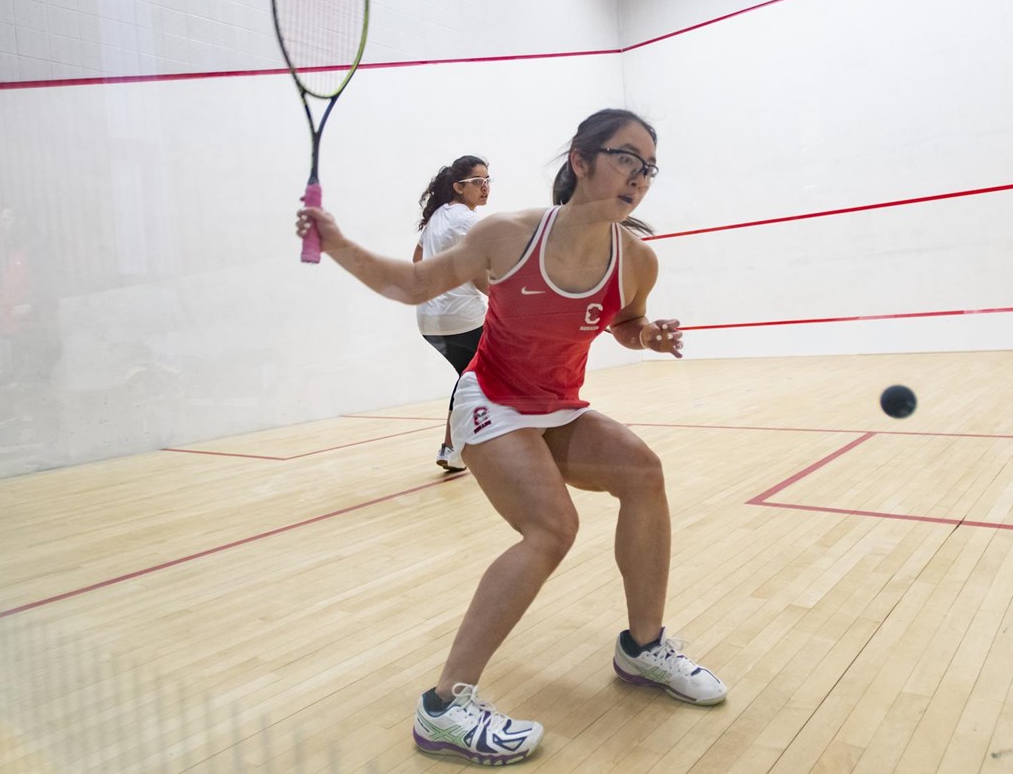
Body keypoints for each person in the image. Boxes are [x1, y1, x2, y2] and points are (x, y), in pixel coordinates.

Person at [297, 109, 726, 766]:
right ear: (580, 161)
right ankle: (443, 707)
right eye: (624, 158)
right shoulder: (507, 235)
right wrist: (338, 242)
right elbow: (412, 284)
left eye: (648, 166)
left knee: (644, 473)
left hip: (558, 408)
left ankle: (642, 650)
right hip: (492, 402)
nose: (638, 177)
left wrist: (647, 336)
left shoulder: (637, 261)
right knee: (552, 528)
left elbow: (626, 322)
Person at [412, 155, 492, 471]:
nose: (485, 187)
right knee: (483, 374)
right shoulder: (468, 221)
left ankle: (453, 448)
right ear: (459, 187)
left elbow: (417, 260)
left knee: (470, 374)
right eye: (477, 182)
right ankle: (458, 447)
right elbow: (479, 276)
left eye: (488, 181)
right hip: (462, 316)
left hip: (430, 319)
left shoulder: (437, 218)